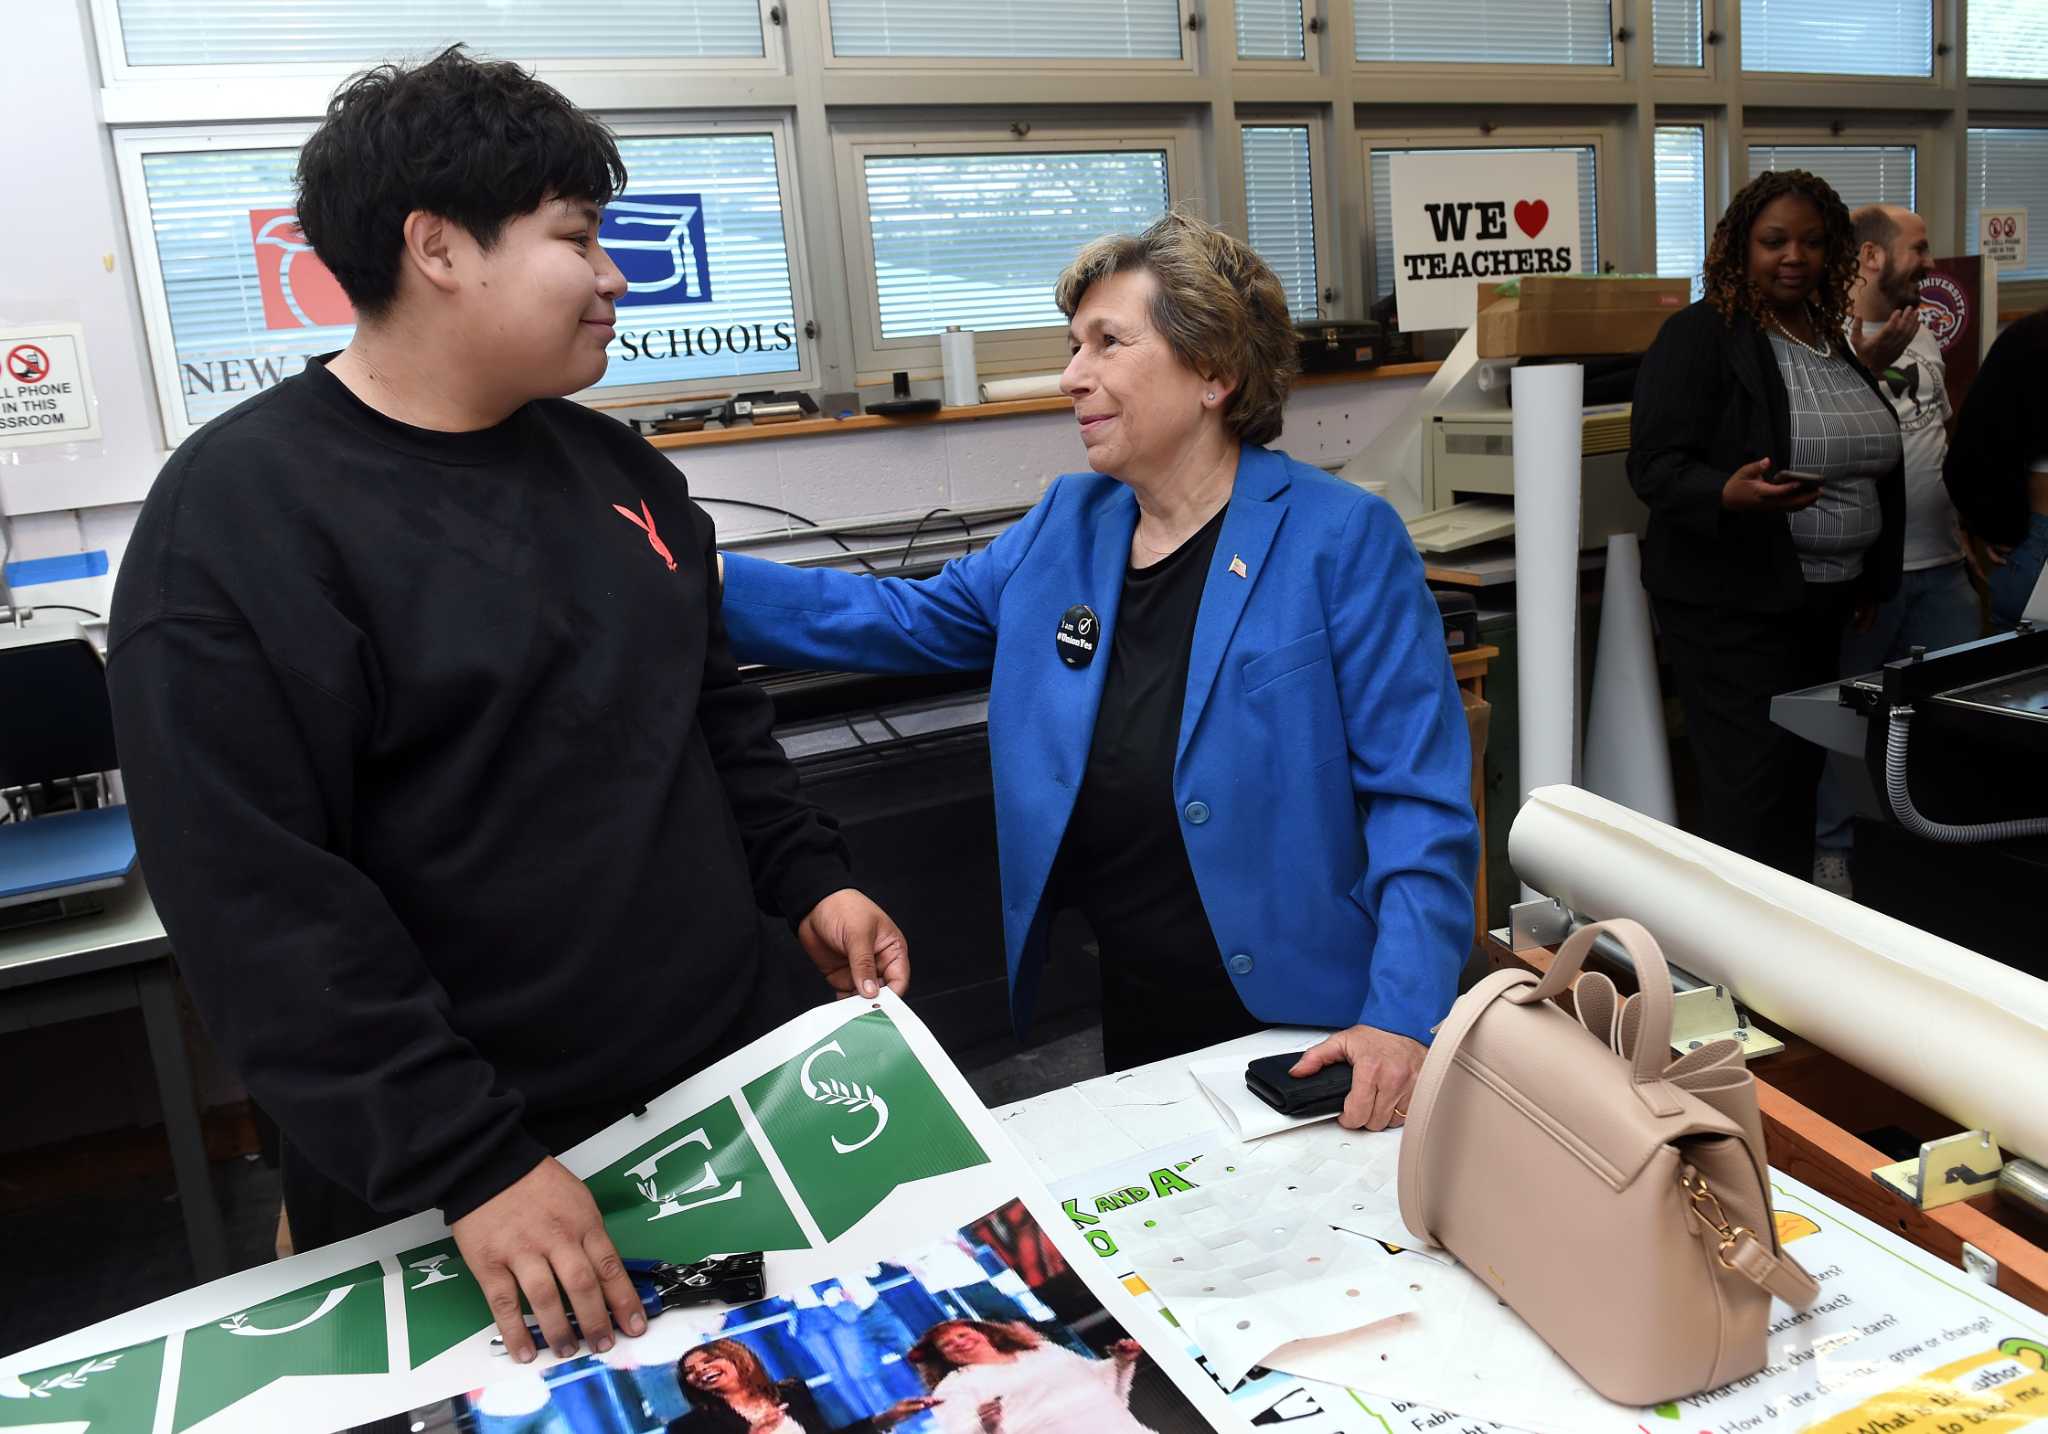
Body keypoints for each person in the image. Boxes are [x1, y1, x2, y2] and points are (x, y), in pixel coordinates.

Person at [105, 47, 908, 1366]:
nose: (614, 275)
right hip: (480, 1173)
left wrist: (806, 874)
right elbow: (260, 902)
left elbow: (714, 717)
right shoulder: (239, 522)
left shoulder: (615, 465)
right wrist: (471, 1157)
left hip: (720, 1086)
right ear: (438, 247)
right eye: (576, 236)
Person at [717, 211, 1478, 1130]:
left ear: (1213, 371)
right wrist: (697, 569)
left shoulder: (1341, 538)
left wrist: (1400, 1018)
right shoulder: (1069, 524)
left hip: (1312, 1018)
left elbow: (1419, 804)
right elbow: (905, 618)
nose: (1072, 376)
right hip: (1138, 995)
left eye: (1107, 343)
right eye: (1074, 346)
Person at [1629, 170, 1904, 878]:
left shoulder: (1824, 334)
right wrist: (1726, 490)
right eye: (1774, 240)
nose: (1795, 256)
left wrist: (1871, 572)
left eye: (1813, 242)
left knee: (1795, 782)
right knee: (1750, 792)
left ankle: (1779, 944)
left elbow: (1870, 462)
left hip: (1820, 601)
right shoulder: (1700, 334)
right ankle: (1729, 964)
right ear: (1738, 247)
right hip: (1731, 605)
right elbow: (1654, 464)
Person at [1810, 204, 1980, 898]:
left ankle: (1942, 852)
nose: (1934, 263)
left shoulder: (1924, 337)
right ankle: (1831, 854)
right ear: (1873, 258)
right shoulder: (1823, 342)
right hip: (1868, 583)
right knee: (1844, 730)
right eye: (1921, 247)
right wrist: (1862, 366)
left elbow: (1940, 431)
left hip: (1944, 569)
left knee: (1955, 720)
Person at [1946, 307, 2048, 630]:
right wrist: (2001, 520)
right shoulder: (2031, 339)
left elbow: (1967, 456)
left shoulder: (2030, 336)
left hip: (2034, 544)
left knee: (2021, 678)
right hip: (2035, 546)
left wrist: (1998, 521)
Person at [905, 1319, 1153, 1434]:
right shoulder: (953, 1388)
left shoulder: (1043, 1351)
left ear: (985, 1333)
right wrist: (987, 1426)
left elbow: (1099, 1382)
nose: (959, 1342)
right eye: (947, 1344)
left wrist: (1121, 1362)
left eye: (962, 1334)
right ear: (943, 1357)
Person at [669, 1340, 935, 1434]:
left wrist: (887, 1418)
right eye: (689, 1372)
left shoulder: (792, 1391)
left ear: (738, 1358)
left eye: (709, 1360)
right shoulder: (688, 1427)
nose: (700, 1371)